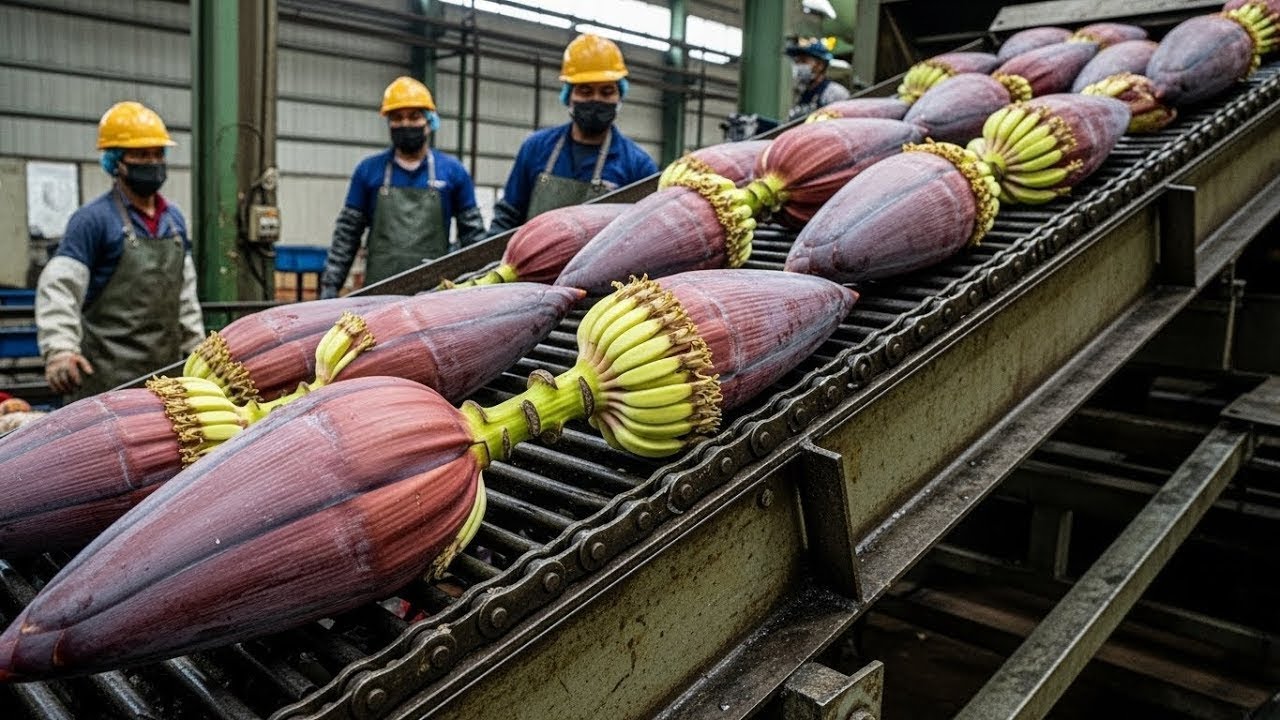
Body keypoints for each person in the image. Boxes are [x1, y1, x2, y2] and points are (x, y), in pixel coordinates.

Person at [36, 101, 204, 402]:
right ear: (116, 161)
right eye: (140, 155)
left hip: (166, 379)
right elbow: (59, 288)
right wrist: (60, 349)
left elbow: (186, 297)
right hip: (106, 382)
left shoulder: (174, 221)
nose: (152, 162)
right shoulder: (92, 221)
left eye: (157, 154)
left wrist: (198, 353)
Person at [320, 77, 485, 298]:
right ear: (389, 123)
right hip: (377, 294)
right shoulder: (368, 171)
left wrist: (481, 287)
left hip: (434, 295)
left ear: (430, 121)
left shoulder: (454, 172)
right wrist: (330, 286)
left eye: (414, 116)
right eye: (397, 117)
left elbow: (473, 238)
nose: (405, 124)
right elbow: (347, 236)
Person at [488, 33, 658, 235]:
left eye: (606, 92)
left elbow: (645, 235)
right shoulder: (535, 148)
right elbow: (507, 217)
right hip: (532, 265)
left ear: (619, 97)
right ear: (569, 96)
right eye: (585, 91)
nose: (596, 100)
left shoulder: (638, 167)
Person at [785, 37, 851, 121]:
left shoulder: (835, 94)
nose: (798, 66)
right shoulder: (799, 93)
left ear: (820, 65)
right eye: (796, 61)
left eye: (803, 61)